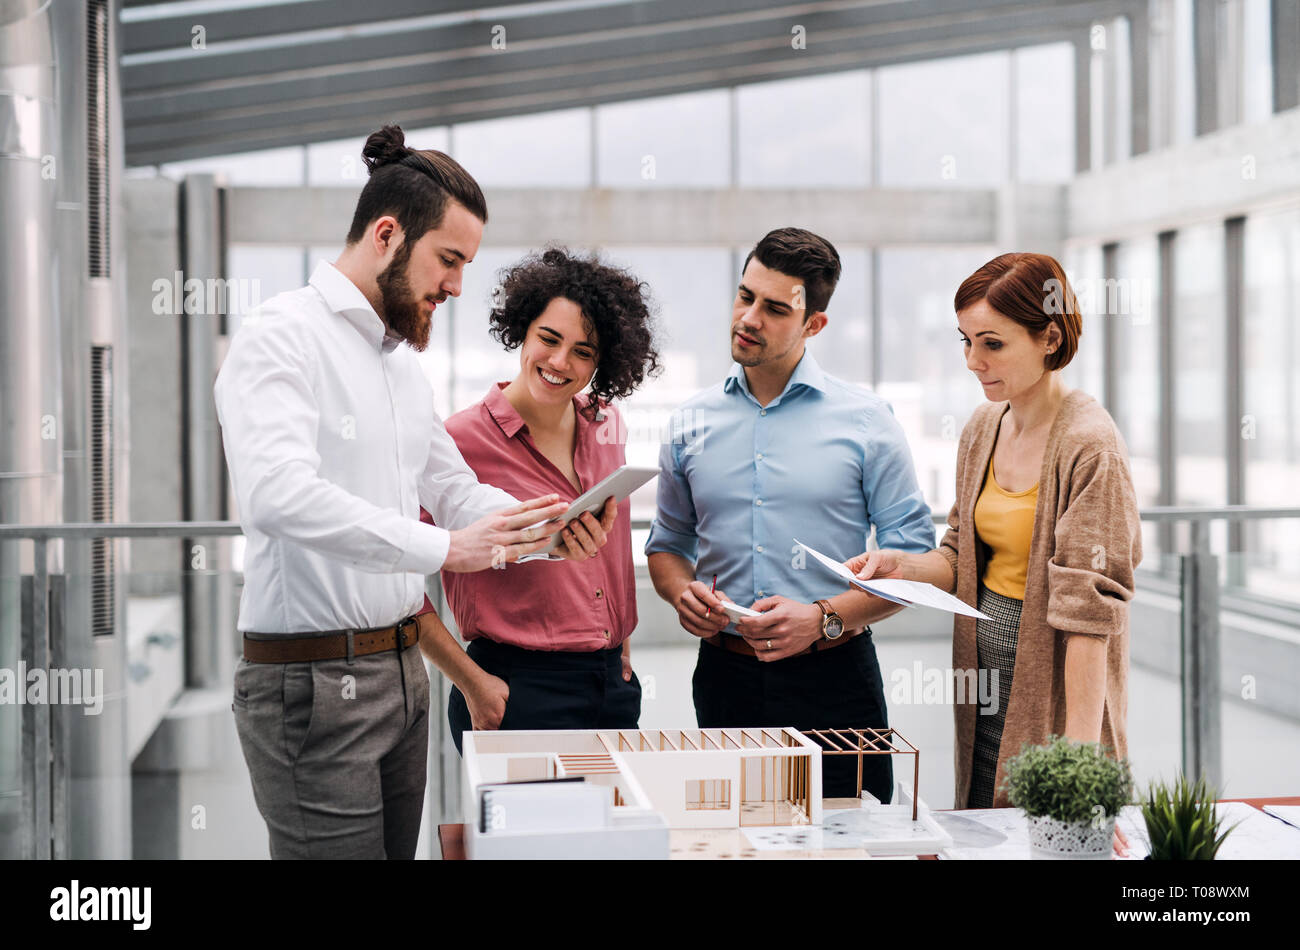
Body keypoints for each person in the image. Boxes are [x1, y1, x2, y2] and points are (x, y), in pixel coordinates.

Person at [214, 126, 605, 859]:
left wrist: (549, 528)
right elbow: (277, 495)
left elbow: (457, 492)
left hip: (402, 676)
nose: (457, 286)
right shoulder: (280, 336)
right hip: (310, 683)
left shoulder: (399, 368)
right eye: (449, 260)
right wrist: (447, 550)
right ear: (387, 234)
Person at [846, 252, 1142, 817]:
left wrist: (1080, 767)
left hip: (1051, 677)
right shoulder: (985, 424)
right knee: (987, 814)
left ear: (1050, 337)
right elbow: (960, 553)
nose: (972, 361)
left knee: (1050, 827)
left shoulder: (1090, 445)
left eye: (992, 343)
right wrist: (899, 566)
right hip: (983, 670)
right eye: (965, 341)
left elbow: (1088, 617)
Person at [645, 227, 935, 803]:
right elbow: (667, 545)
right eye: (745, 295)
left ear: (813, 325)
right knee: (734, 843)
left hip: (837, 679)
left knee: (854, 846)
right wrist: (681, 593)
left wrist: (823, 617)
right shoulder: (689, 422)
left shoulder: (868, 422)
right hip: (724, 678)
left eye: (775, 308)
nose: (749, 317)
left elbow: (917, 564)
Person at [415, 248, 660, 752]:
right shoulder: (458, 440)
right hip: (512, 688)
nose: (559, 362)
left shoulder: (606, 422)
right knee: (524, 831)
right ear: (522, 330)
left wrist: (618, 641)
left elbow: (610, 555)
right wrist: (470, 682)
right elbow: (397, 578)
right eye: (548, 339)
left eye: (584, 352)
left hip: (612, 685)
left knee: (617, 830)